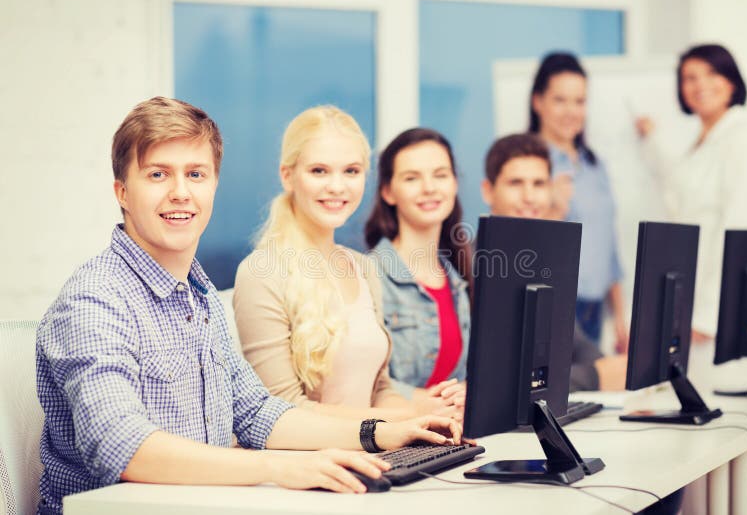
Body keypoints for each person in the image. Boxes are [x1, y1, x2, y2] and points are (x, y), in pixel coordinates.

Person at [35, 97, 462, 513]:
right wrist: (280, 467)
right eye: (159, 175)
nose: (181, 192)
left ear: (214, 185)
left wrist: (382, 433)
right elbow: (121, 446)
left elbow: (257, 412)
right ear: (122, 192)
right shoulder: (94, 299)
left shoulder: (197, 294)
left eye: (196, 174)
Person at [234, 107, 459, 422]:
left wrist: (429, 417)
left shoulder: (362, 268)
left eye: (351, 171)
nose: (337, 187)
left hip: (372, 452)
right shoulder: (261, 273)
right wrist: (402, 422)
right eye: (319, 171)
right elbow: (281, 410)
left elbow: (379, 391)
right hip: (309, 464)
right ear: (287, 175)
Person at [635, 43, 747, 342]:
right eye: (690, 78)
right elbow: (680, 186)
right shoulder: (702, 143)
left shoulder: (742, 141)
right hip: (689, 297)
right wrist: (651, 139)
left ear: (731, 80)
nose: (700, 85)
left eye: (711, 74)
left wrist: (708, 318)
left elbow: (739, 230)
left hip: (715, 315)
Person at [480, 132, 626, 392]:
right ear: (488, 191)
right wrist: (596, 376)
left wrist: (613, 367)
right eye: (515, 183)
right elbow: (501, 381)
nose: (529, 197)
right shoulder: (471, 264)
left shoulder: (543, 264)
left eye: (539, 184)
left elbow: (577, 345)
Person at [363, 128, 471, 411]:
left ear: (455, 183)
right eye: (412, 178)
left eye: (440, 175)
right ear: (388, 191)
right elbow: (362, 382)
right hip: (396, 437)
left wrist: (466, 392)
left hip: (449, 437)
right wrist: (430, 403)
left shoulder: (457, 278)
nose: (429, 188)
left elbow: (461, 377)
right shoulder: (367, 276)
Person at [528, 52, 628, 353]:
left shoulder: (594, 165)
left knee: (592, 395)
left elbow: (607, 243)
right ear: (538, 102)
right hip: (553, 303)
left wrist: (621, 316)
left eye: (579, 101)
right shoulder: (529, 164)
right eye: (560, 100)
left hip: (595, 310)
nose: (571, 111)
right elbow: (521, 245)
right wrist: (552, 208)